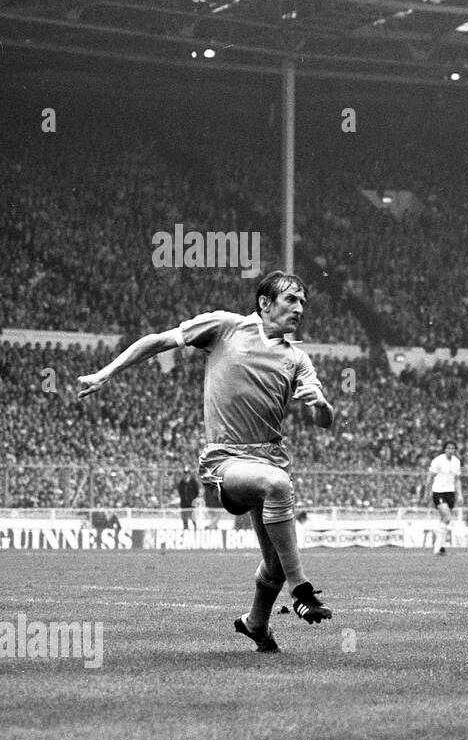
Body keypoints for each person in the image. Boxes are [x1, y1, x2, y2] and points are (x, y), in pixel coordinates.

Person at [76, 271, 335, 653]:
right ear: (264, 303)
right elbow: (160, 340)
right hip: (226, 462)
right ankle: (302, 590)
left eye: (303, 303)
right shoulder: (225, 327)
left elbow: (325, 420)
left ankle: (256, 625)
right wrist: (106, 373)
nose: (299, 309)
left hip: (269, 461)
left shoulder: (296, 358)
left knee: (274, 562)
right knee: (278, 487)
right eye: (290, 300)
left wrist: (322, 406)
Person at [424, 441, 462, 555]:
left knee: (444, 520)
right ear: (444, 449)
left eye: (453, 448)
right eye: (448, 448)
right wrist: (427, 493)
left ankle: (439, 547)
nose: (451, 450)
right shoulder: (438, 460)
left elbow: (457, 479)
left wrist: (460, 494)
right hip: (438, 491)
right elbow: (430, 477)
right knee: (447, 517)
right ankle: (438, 547)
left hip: (450, 492)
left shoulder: (456, 462)